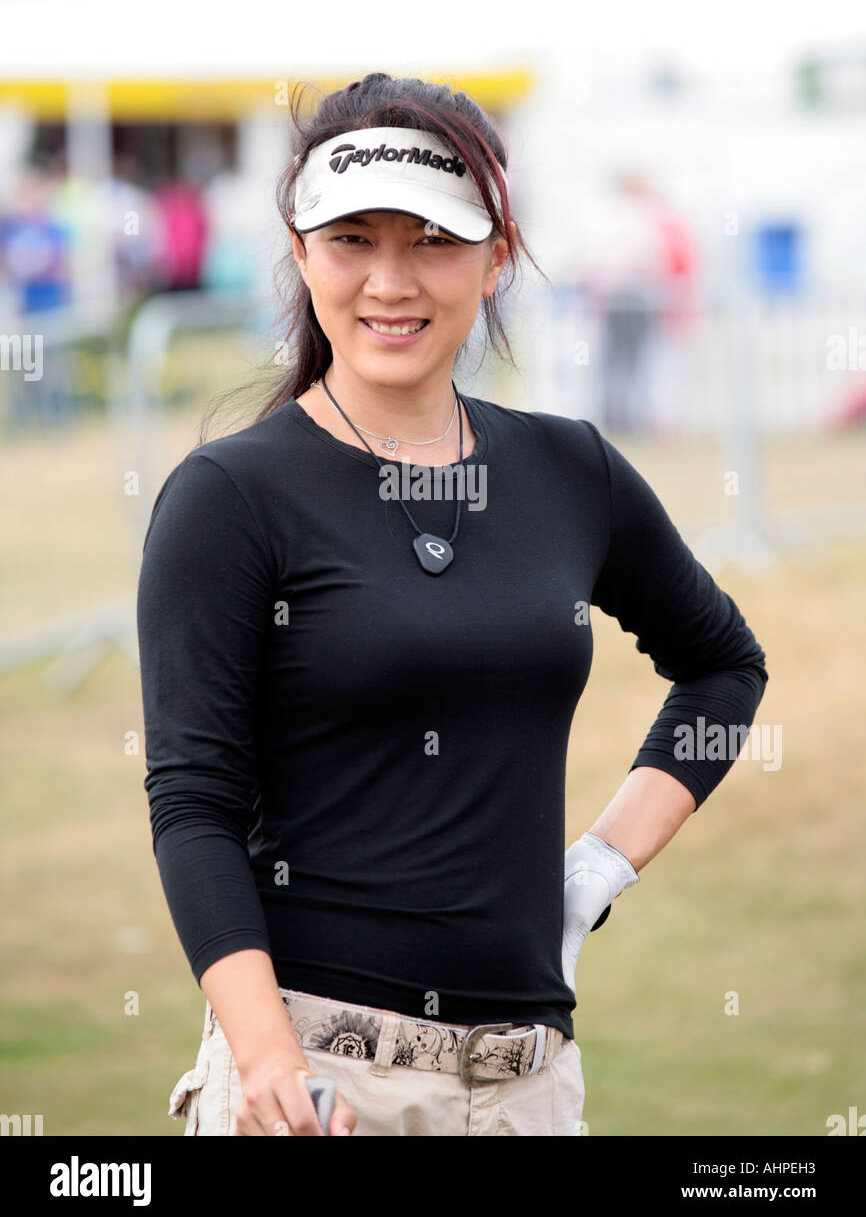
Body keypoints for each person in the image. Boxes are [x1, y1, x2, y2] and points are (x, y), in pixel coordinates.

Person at [136, 72, 768, 1137]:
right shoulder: (229, 497)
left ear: (494, 257)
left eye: (431, 240)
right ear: (299, 253)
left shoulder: (570, 470)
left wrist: (594, 872)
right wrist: (265, 1060)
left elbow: (723, 665)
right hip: (319, 1078)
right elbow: (192, 799)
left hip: (529, 1082)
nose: (390, 281)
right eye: (352, 240)